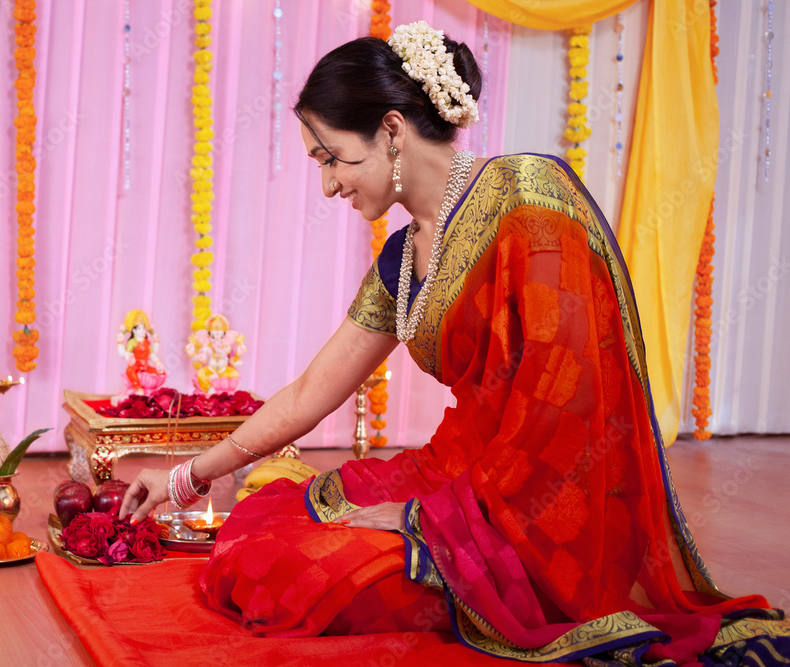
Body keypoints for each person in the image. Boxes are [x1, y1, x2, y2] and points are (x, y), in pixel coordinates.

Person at [122, 21, 790, 664]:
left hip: (546, 507)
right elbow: (308, 393)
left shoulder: (531, 202)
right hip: (460, 473)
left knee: (307, 572)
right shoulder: (404, 256)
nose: (328, 184)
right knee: (258, 527)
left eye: (333, 158)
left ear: (390, 132)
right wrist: (183, 478)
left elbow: (572, 408)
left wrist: (425, 520)